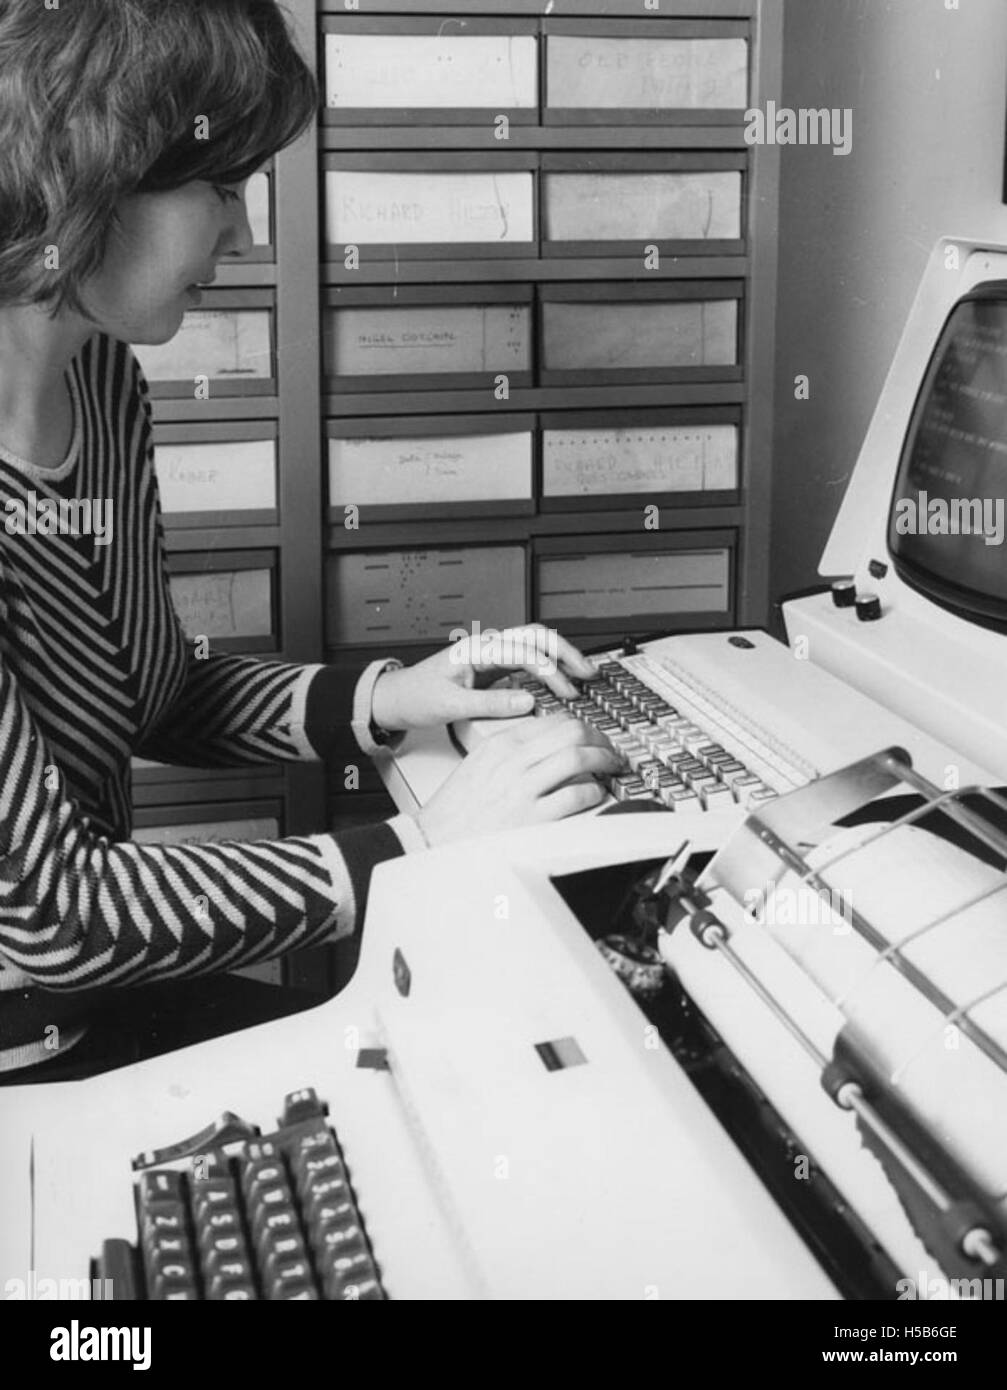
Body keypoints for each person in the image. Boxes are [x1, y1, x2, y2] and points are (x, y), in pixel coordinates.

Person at [0, 0, 622, 1078]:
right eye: (221, 187)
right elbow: (53, 913)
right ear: (91, 170)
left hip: (101, 999)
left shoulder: (102, 382)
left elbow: (158, 695)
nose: (242, 236)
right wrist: (421, 846)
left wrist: (396, 694)